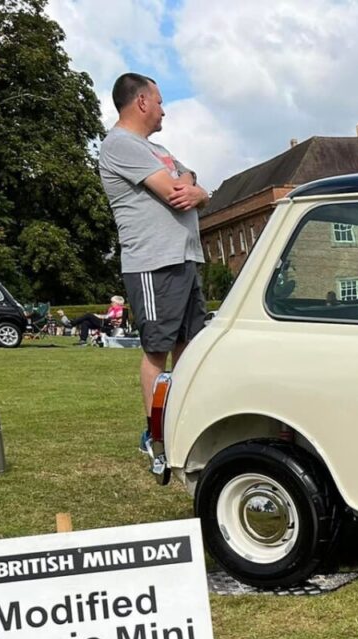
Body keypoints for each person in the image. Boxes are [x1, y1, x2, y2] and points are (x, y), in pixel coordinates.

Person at [98, 72, 209, 452]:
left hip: (183, 258)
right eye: (160, 102)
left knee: (188, 346)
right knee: (157, 350)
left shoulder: (153, 150)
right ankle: (156, 434)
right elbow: (177, 189)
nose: (164, 111)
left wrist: (197, 188)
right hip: (153, 262)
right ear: (141, 102)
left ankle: (183, 424)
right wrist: (191, 185)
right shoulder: (120, 145)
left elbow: (192, 181)